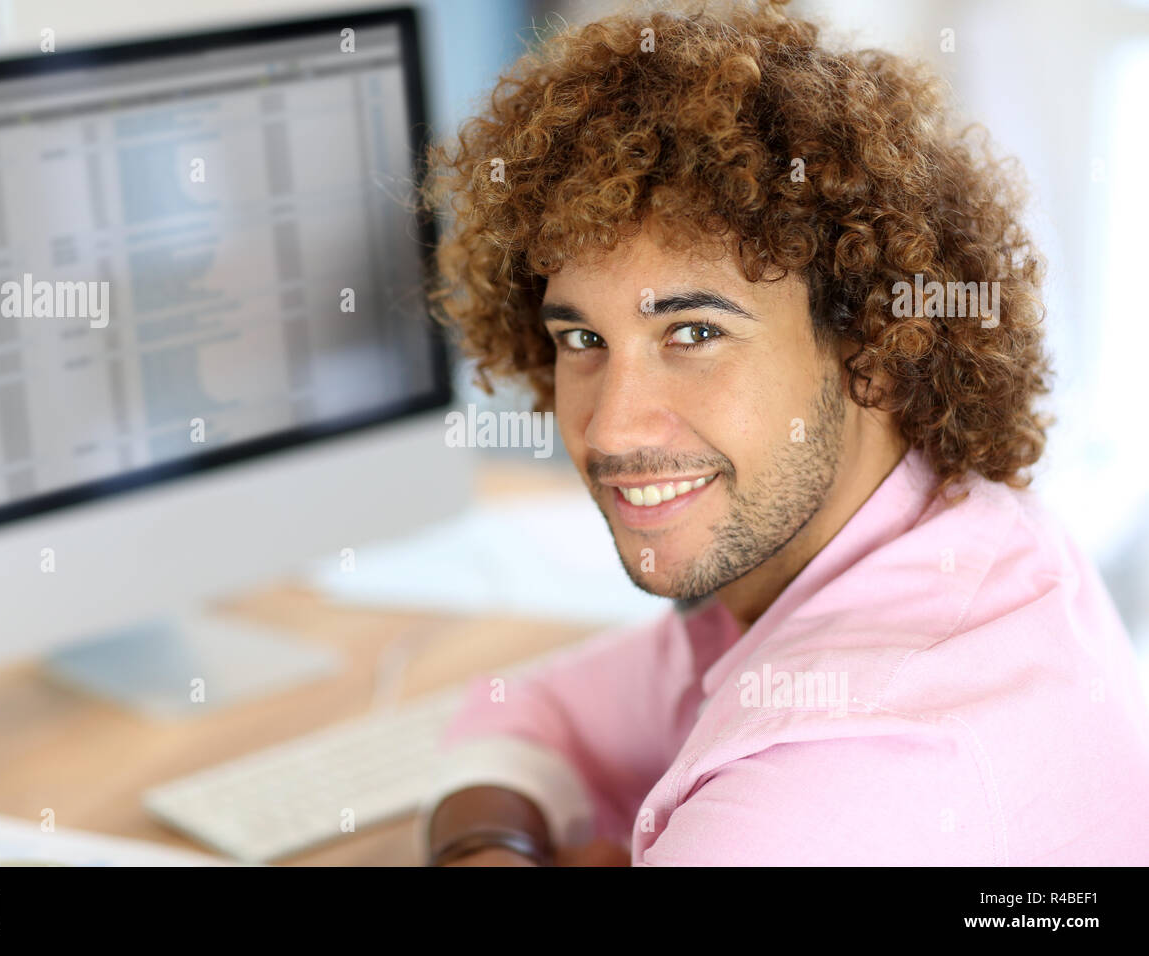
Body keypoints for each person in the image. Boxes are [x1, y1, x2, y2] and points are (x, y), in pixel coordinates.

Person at [418, 0, 1149, 865]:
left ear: (874, 348)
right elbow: (527, 711)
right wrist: (489, 849)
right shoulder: (939, 539)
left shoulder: (831, 780)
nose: (610, 425)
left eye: (693, 333)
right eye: (584, 339)